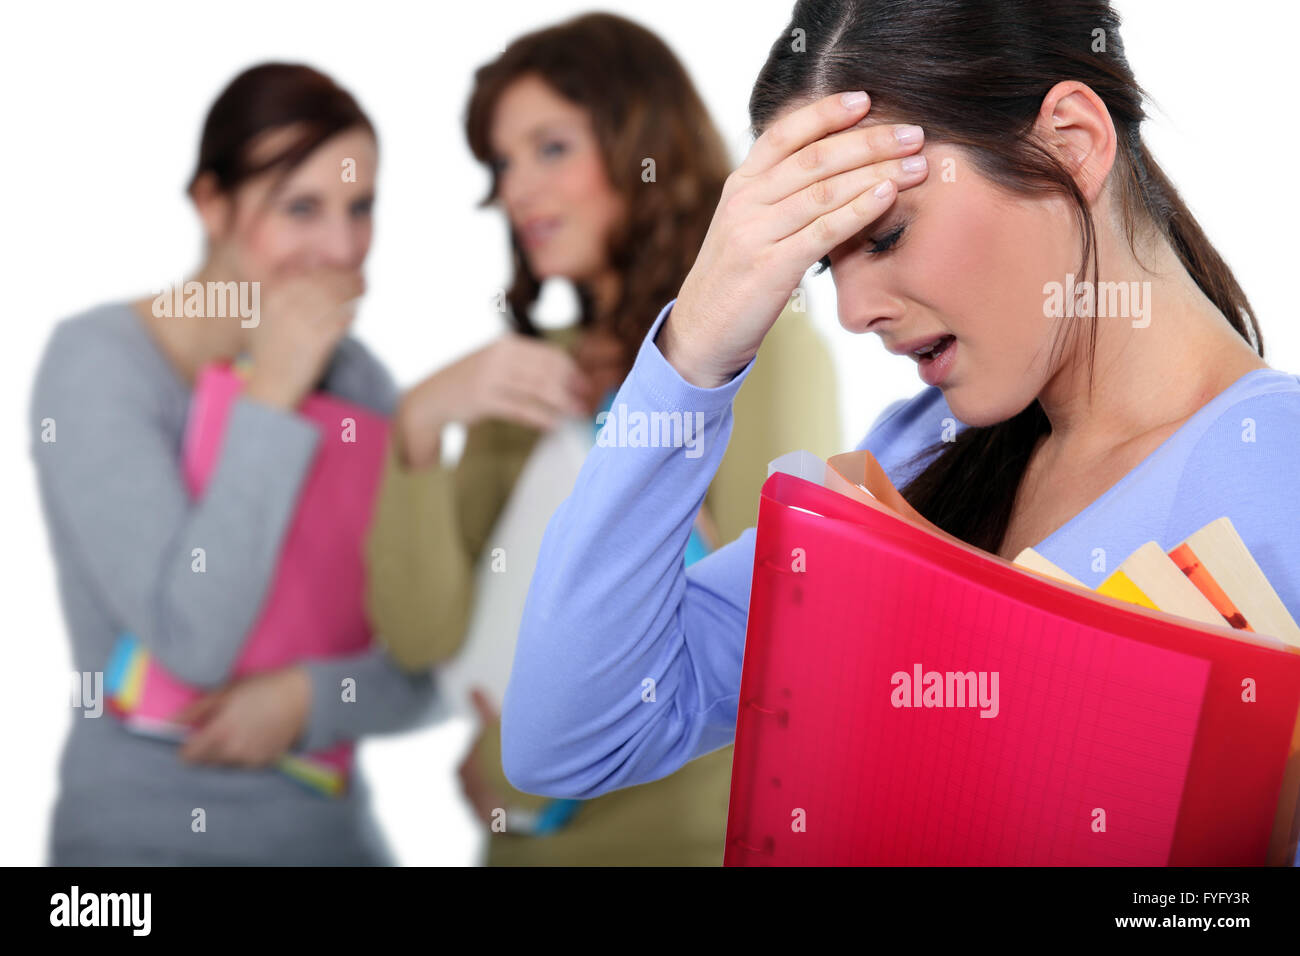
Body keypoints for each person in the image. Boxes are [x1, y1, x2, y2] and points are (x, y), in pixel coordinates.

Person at [501, 0, 1300, 861]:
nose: (850, 313)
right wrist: (690, 351)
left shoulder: (1274, 474)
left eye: (885, 234)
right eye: (823, 261)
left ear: (1070, 143)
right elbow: (574, 737)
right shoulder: (916, 457)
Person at [365, 12, 841, 865]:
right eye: (503, 162)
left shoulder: (769, 347)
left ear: (641, 144)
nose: (518, 189)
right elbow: (421, 635)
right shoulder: (517, 380)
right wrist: (418, 424)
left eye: (550, 149)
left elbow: (782, 618)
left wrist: (519, 768)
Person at [29, 63, 438, 865]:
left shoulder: (359, 383)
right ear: (211, 205)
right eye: (301, 208)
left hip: (333, 840)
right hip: (141, 848)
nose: (343, 247)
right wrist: (273, 393)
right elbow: (193, 641)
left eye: (361, 207)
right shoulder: (99, 365)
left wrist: (305, 698)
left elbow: (425, 669)